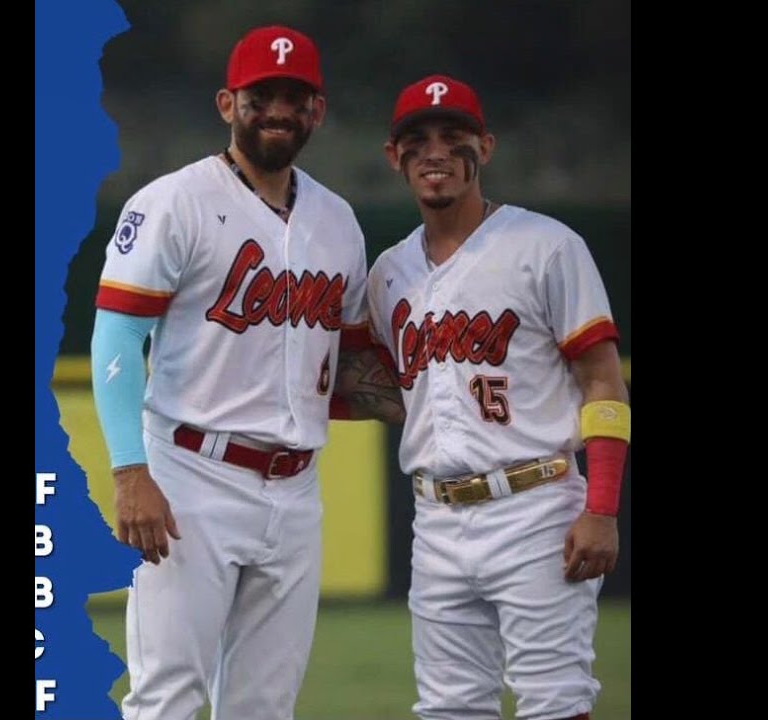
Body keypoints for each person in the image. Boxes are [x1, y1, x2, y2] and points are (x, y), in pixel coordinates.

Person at [89, 25, 400, 720]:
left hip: (294, 489)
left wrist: (439, 406)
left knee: (264, 708)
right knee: (167, 696)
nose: (279, 111)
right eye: (263, 96)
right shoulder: (174, 202)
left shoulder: (337, 221)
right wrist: (129, 470)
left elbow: (345, 361)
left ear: (316, 111)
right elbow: (116, 336)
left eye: (296, 97)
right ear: (228, 103)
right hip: (190, 476)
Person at [365, 74, 631, 720]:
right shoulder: (388, 275)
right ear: (393, 157)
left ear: (485, 146)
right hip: (436, 518)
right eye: (416, 139)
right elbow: (383, 388)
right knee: (449, 707)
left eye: (452, 137)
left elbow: (603, 381)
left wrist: (601, 507)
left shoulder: (546, 247)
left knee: (554, 699)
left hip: (537, 507)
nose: (434, 152)